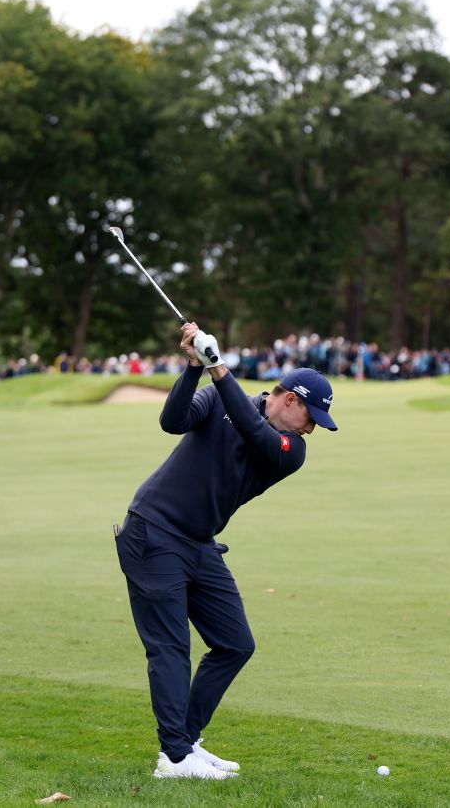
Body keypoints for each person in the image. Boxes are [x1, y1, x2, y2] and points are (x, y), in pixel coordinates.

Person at [114, 322, 338, 781]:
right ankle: (174, 757)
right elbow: (172, 421)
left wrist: (218, 369)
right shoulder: (217, 396)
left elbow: (255, 433)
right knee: (171, 647)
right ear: (290, 400)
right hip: (154, 533)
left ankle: (187, 741)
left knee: (236, 643)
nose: (312, 428)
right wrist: (196, 368)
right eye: (311, 416)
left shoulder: (290, 450)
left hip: (197, 544)